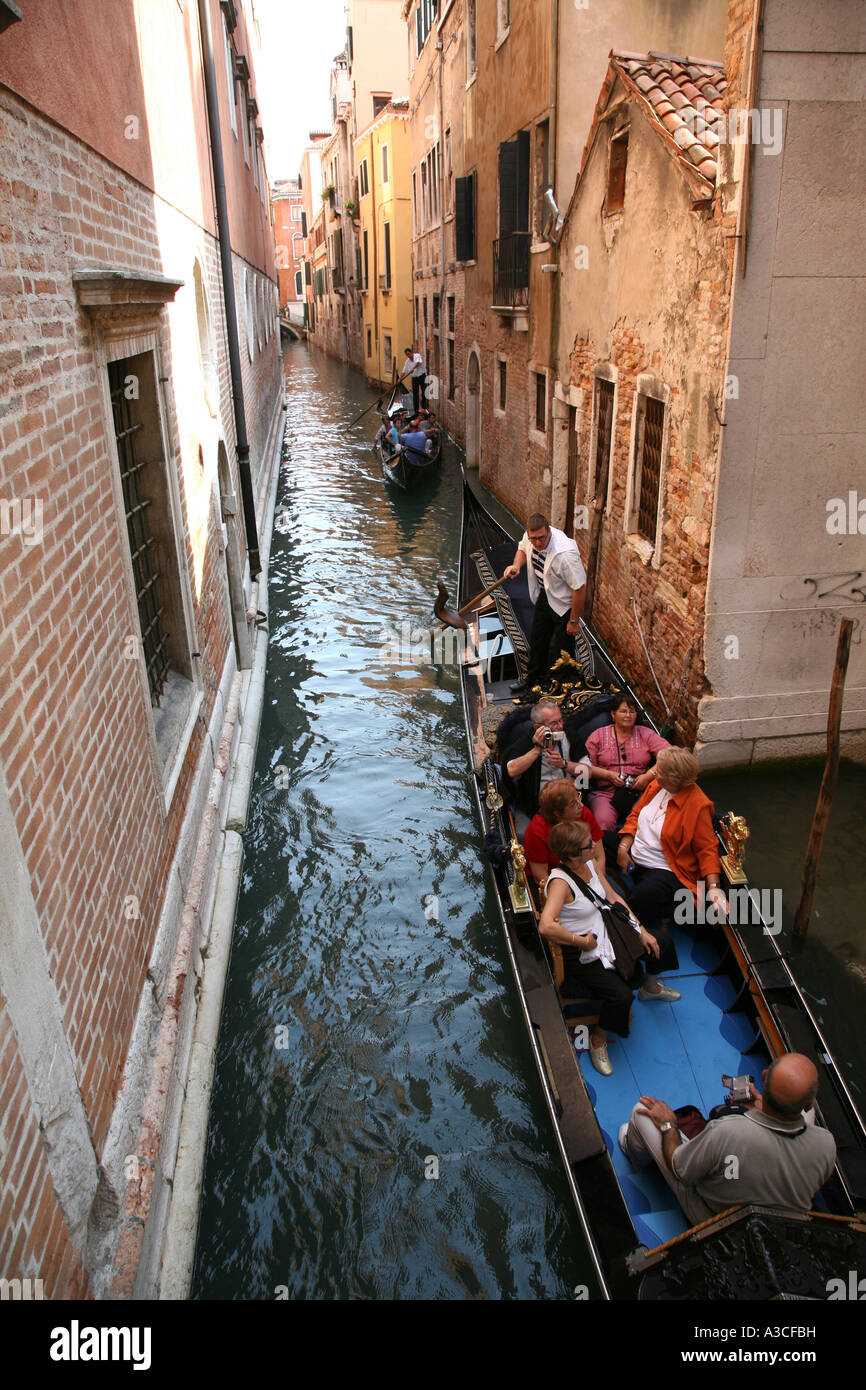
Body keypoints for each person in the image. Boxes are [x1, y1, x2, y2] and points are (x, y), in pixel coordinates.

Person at [619, 1053, 837, 1225]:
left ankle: (635, 1153)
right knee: (807, 1119)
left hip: (712, 1217)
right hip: (776, 1224)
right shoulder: (827, 1144)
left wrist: (668, 1125)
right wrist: (763, 1106)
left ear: (763, 1077)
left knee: (641, 1112)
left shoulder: (728, 1131)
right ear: (810, 1103)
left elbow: (680, 1168)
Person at [538, 820, 681, 1076]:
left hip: (607, 929)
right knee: (622, 996)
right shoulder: (559, 883)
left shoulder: (589, 864)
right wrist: (582, 941)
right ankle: (598, 1039)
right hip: (582, 951)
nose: (594, 845)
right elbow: (546, 926)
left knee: (662, 941)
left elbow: (613, 898)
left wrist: (642, 931)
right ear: (571, 855)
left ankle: (650, 988)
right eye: (587, 845)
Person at [617, 746, 727, 934]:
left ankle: (630, 933)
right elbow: (635, 815)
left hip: (665, 867)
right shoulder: (657, 785)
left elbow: (707, 849)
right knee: (598, 840)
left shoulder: (698, 805)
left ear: (674, 778)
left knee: (644, 896)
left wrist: (715, 890)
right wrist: (623, 846)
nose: (654, 773)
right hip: (635, 849)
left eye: (659, 771)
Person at [502, 513, 586, 696]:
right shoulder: (529, 537)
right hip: (545, 595)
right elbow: (522, 549)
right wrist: (516, 565)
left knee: (563, 649)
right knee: (538, 638)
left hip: (565, 604)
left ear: (549, 532)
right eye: (534, 539)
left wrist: (573, 621)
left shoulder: (566, 554)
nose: (538, 543)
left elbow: (580, 589)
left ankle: (560, 687)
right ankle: (532, 679)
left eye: (541, 538)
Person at [583, 695, 671, 832]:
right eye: (623, 711)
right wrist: (609, 775)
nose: (628, 715)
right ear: (613, 714)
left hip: (639, 791)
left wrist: (648, 776)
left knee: (650, 819)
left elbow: (671, 755)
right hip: (606, 792)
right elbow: (583, 768)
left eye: (632, 711)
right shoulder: (598, 736)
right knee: (604, 823)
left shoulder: (645, 734)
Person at [502, 700, 587, 817]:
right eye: (554, 723)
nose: (560, 726)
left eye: (561, 720)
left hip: (572, 800)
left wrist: (564, 764)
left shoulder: (569, 736)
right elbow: (512, 771)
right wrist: (537, 750)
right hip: (542, 805)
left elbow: (587, 773)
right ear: (538, 727)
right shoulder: (526, 742)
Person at [524, 778, 604, 886]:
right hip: (558, 883)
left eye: (578, 796)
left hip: (590, 874)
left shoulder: (583, 813)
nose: (581, 805)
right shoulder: (536, 831)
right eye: (573, 804)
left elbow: (600, 858)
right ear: (557, 813)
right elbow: (542, 877)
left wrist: (599, 885)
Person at [400, 344, 426, 414]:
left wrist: (413, 368)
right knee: (415, 395)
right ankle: (416, 411)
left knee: (424, 393)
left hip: (422, 376)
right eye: (407, 355)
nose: (408, 356)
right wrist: (399, 379)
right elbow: (403, 371)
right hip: (414, 378)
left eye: (409, 354)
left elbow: (417, 363)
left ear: (411, 352)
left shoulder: (417, 356)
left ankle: (424, 409)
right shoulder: (407, 361)